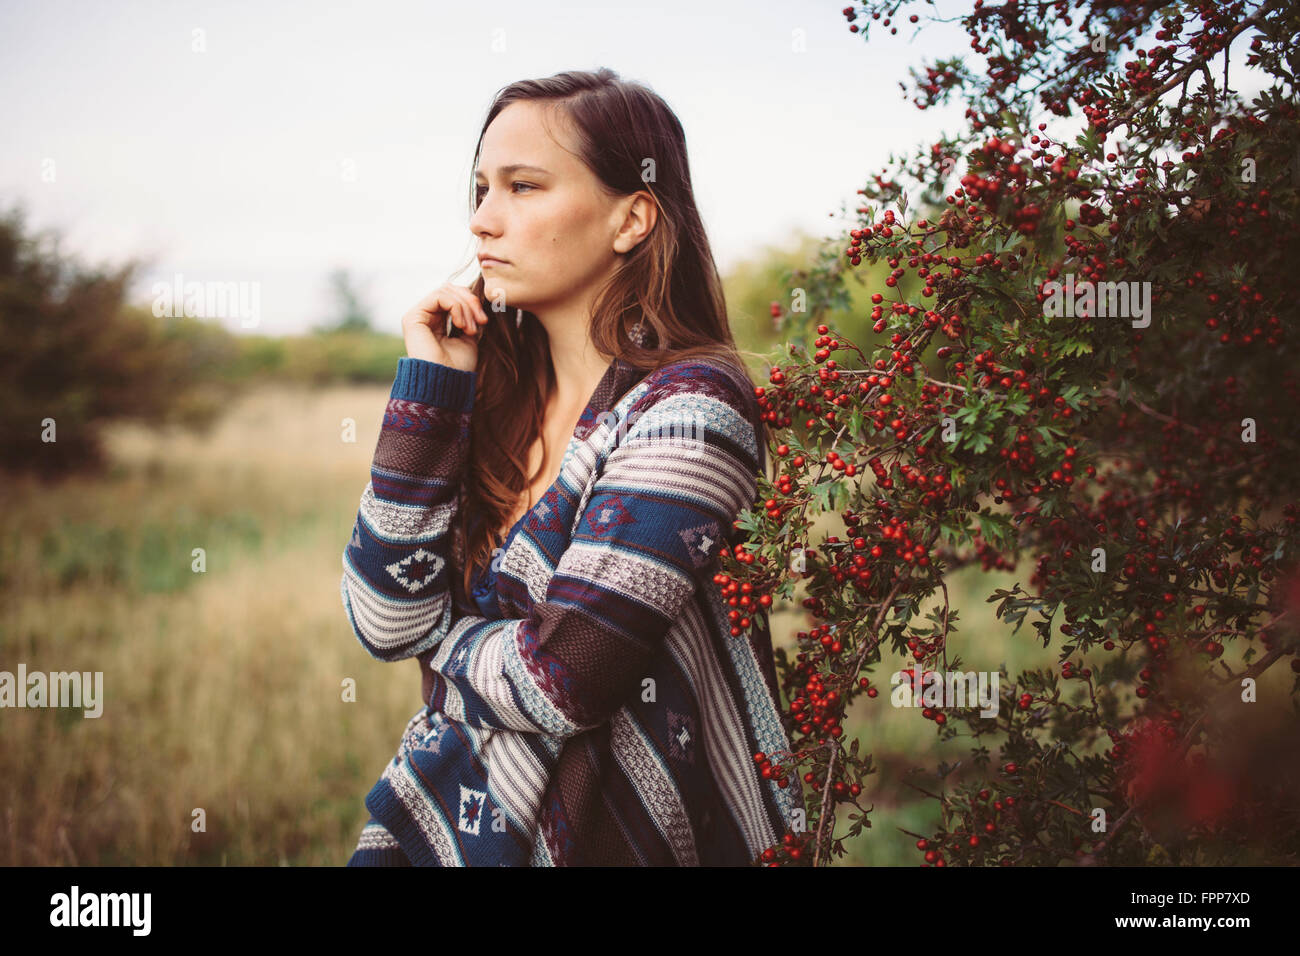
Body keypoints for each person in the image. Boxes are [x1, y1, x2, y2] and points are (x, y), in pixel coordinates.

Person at [341, 67, 803, 866]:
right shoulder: (485, 401)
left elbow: (563, 678)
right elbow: (386, 621)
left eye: (523, 187)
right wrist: (434, 385)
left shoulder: (693, 412)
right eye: (480, 189)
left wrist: (444, 646)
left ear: (632, 218)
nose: (483, 222)